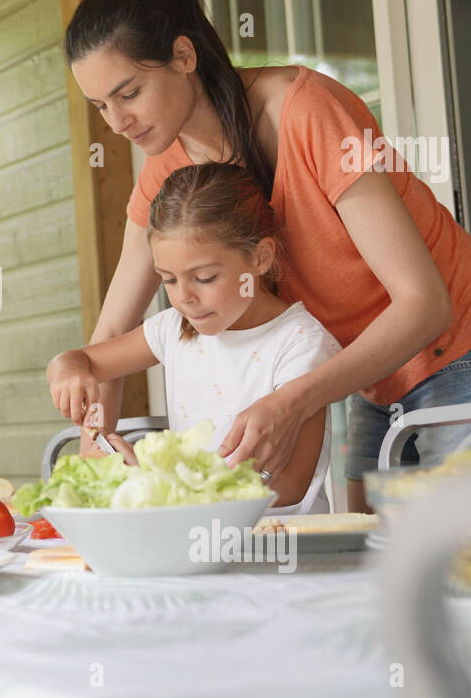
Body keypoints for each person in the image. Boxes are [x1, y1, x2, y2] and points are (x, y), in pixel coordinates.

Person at [64, 0, 471, 511]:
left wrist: (291, 401)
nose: (117, 122)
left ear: (183, 55)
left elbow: (425, 304)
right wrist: (96, 451)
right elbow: (109, 334)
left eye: (128, 93)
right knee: (379, 577)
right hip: (376, 379)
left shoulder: (308, 111)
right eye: (100, 106)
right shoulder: (165, 171)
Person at [48, 163, 340, 513]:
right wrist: (68, 370)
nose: (184, 296)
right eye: (168, 280)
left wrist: (151, 483)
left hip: (282, 550)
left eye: (203, 277)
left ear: (261, 258)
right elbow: (80, 361)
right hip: (196, 544)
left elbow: (289, 485)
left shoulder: (299, 341)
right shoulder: (173, 328)